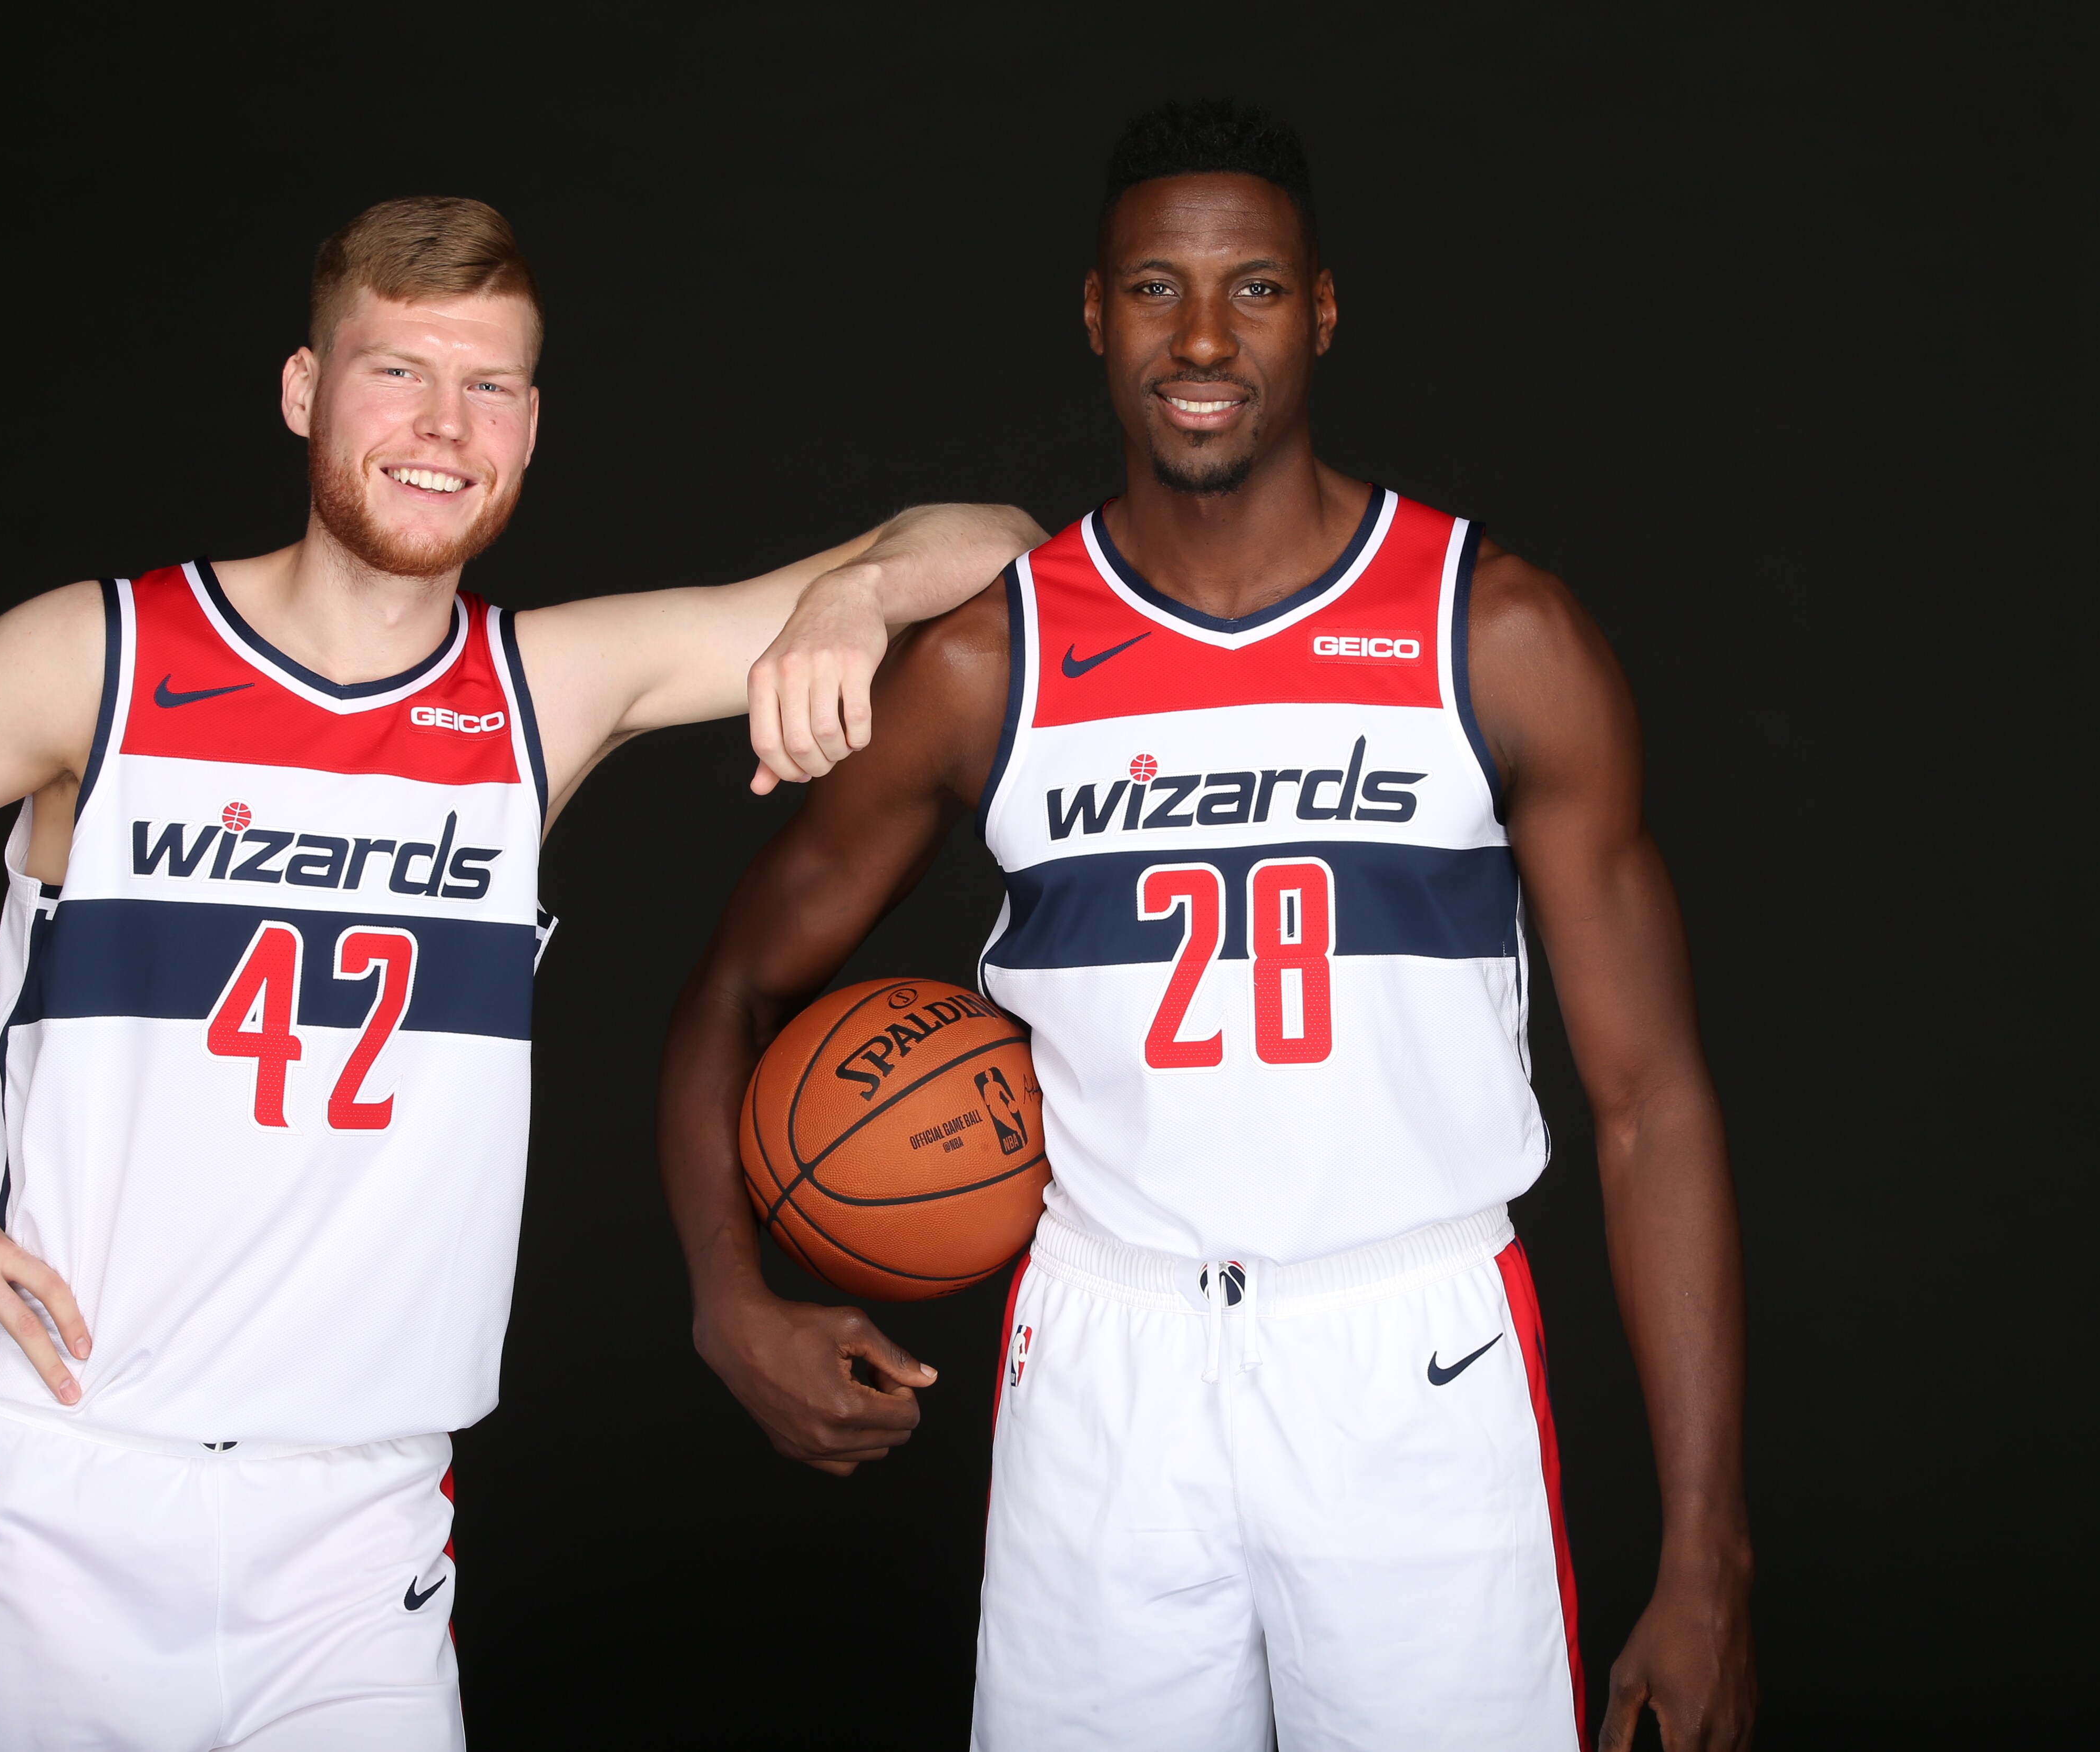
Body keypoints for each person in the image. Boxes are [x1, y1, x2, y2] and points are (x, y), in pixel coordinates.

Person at [0, 195, 1038, 1750]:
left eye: (493, 387)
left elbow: (996, 550)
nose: (444, 428)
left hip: (362, 1523)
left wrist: (852, 598)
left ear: (533, 423)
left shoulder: (548, 692)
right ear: (306, 393)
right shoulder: (103, 660)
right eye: (397, 374)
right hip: (67, 1476)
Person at [655, 102, 1755, 1752]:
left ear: (1318, 312)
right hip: (1108, 1352)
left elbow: (1650, 1104)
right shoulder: (989, 664)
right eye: (1155, 288)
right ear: (1097, 315)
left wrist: (1709, 1554)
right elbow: (735, 984)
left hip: (1411, 1354)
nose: (1201, 336)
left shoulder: (1494, 631)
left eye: (1251, 290)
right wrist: (726, 1298)